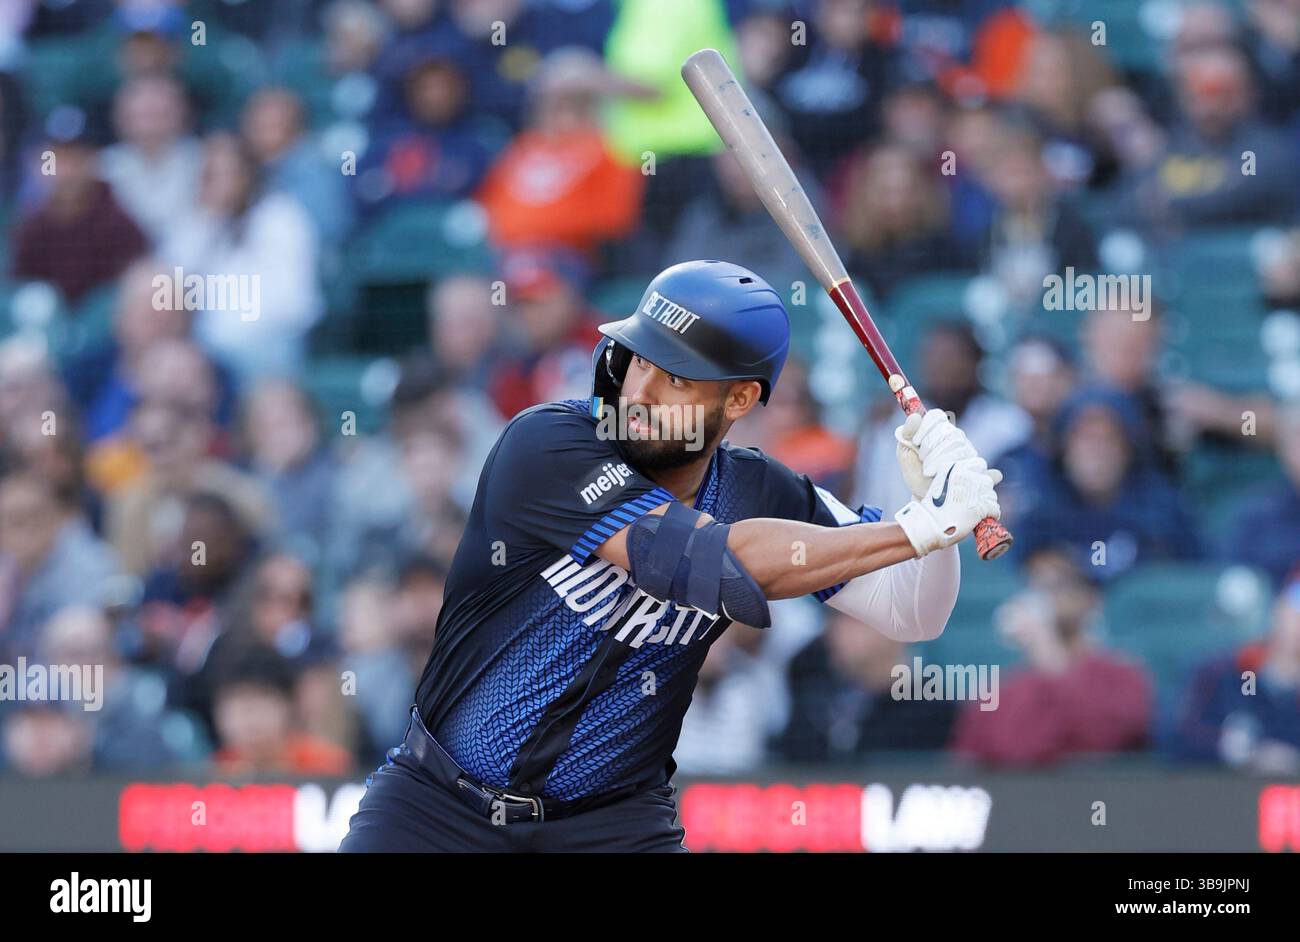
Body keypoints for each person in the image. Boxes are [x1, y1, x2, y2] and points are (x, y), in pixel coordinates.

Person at [340, 259, 1002, 852]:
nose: (642, 391)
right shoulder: (549, 443)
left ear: (740, 398)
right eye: (638, 358)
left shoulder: (760, 490)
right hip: (437, 808)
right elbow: (694, 559)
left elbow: (913, 613)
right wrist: (916, 529)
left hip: (612, 826)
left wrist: (937, 523)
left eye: (677, 376)